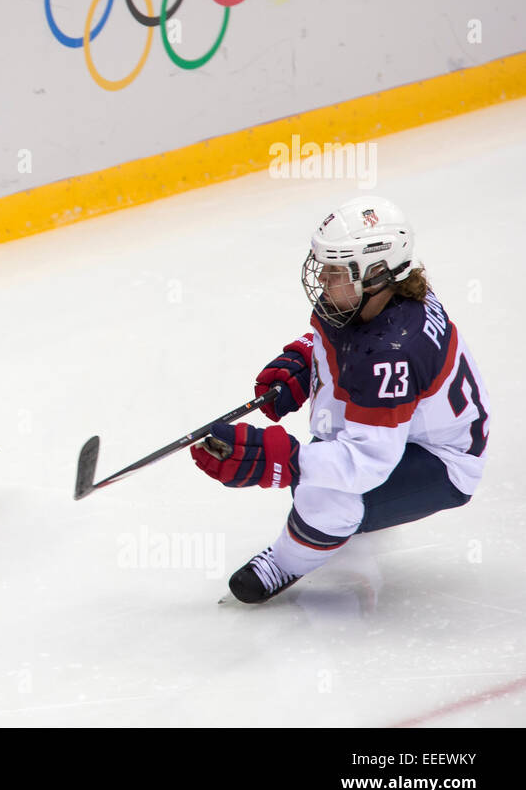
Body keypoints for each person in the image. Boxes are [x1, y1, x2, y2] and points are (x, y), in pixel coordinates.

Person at [191, 196, 489, 602]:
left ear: (377, 272)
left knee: (323, 496)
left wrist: (279, 461)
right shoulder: (378, 301)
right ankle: (337, 516)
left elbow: (365, 464)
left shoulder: (392, 354)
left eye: (337, 270)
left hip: (441, 462)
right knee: (322, 458)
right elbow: (345, 345)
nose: (324, 278)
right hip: (409, 426)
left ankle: (287, 561)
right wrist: (306, 359)